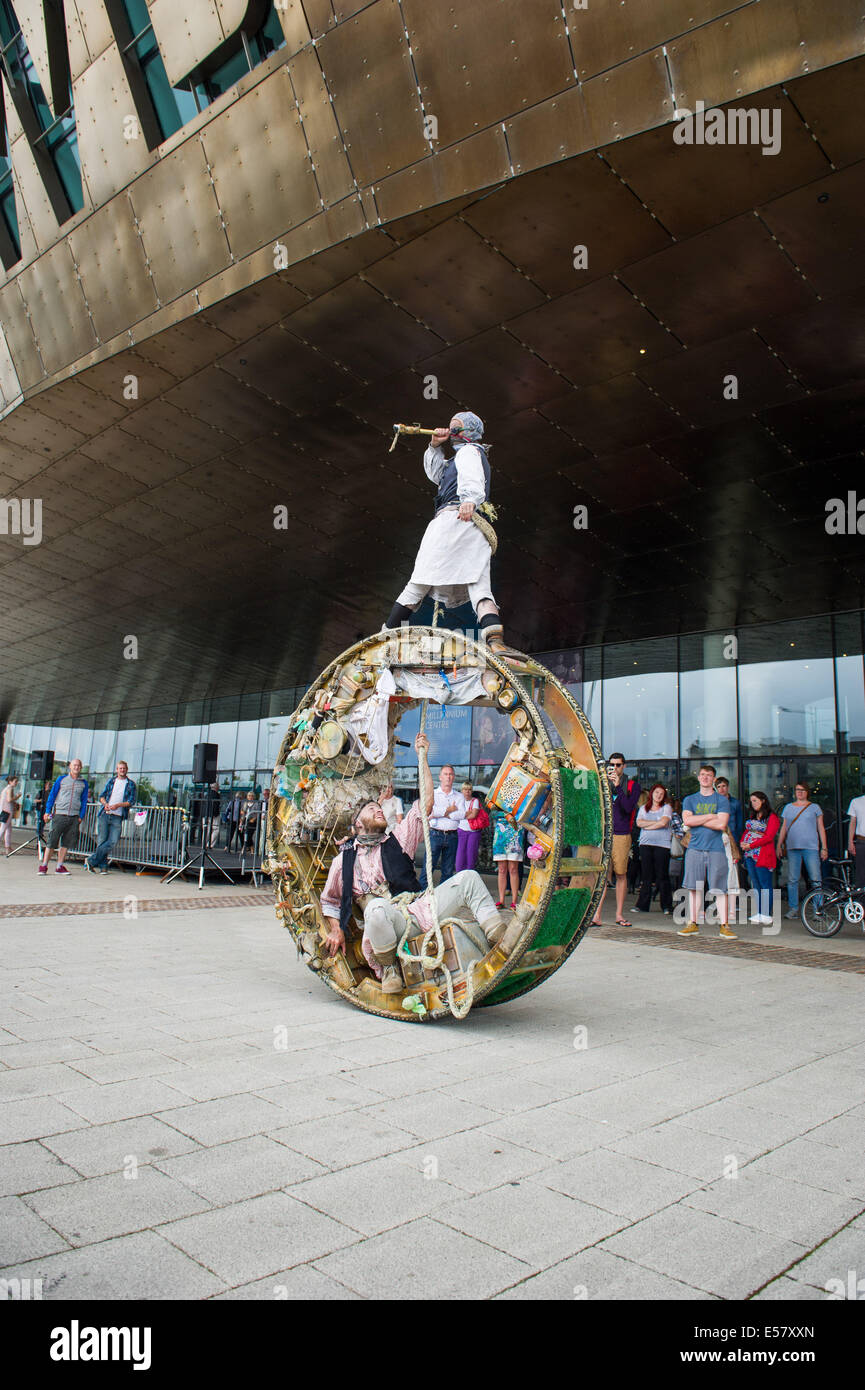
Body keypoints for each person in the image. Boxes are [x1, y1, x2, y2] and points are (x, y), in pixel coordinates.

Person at [320, 732, 518, 993]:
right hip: (387, 924)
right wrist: (335, 929)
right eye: (371, 810)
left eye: (378, 808)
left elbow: (425, 803)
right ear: (358, 825)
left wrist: (422, 756)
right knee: (375, 908)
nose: (379, 809)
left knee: (468, 877)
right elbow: (330, 901)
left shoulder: (397, 838)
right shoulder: (343, 861)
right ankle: (389, 967)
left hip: (419, 909)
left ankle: (497, 935)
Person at [383, 411, 517, 655]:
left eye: (455, 428)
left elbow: (471, 480)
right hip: (471, 528)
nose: (450, 430)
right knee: (480, 589)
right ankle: (495, 641)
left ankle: (385, 638)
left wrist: (469, 500)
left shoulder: (468, 452)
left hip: (454, 522)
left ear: (466, 432)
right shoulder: (461, 457)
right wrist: (435, 446)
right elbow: (438, 475)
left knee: (418, 583)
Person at [677, 763, 737, 939]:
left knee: (720, 889)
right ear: (698, 777)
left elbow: (721, 824)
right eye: (702, 774)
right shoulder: (690, 799)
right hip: (695, 848)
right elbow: (686, 820)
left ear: (713, 779)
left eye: (709, 775)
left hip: (716, 849)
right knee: (693, 888)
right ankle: (692, 923)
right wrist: (710, 816)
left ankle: (724, 925)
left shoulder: (721, 800)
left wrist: (697, 820)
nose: (705, 777)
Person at [591, 754, 640, 927]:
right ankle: (596, 915)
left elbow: (628, 808)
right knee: (602, 875)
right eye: (611, 765)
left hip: (621, 834)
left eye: (618, 765)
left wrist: (619, 787)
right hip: (604, 834)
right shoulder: (603, 783)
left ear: (624, 766)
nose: (615, 768)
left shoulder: (632, 785)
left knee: (621, 873)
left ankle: (619, 914)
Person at [777, 781, 828, 918]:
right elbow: (784, 828)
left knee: (815, 878)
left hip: (810, 847)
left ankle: (819, 909)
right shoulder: (788, 808)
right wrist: (779, 845)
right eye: (797, 790)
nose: (799, 792)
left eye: (802, 790)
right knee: (793, 879)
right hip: (793, 847)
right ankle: (793, 908)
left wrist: (824, 847)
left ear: (807, 792)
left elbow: (821, 828)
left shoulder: (814, 807)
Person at [84, 761, 136, 874]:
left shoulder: (131, 784)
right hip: (105, 814)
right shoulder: (111, 781)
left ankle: (91, 860)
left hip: (118, 816)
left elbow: (131, 801)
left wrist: (118, 805)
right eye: (120, 768)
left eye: (124, 768)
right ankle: (103, 866)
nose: (122, 770)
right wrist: (105, 804)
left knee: (113, 841)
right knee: (102, 841)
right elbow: (101, 796)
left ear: (126, 769)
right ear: (116, 770)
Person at [39, 759, 89, 874]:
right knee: (52, 841)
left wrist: (81, 816)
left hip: (74, 816)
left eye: (79, 765)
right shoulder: (61, 780)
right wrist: (47, 811)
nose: (76, 767)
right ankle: (44, 866)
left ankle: (59, 866)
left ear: (81, 768)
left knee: (66, 842)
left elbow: (84, 800)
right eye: (74, 765)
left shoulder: (83, 783)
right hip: (60, 814)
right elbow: (52, 795)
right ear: (70, 767)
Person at [417, 764, 463, 889]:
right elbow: (430, 812)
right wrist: (449, 810)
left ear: (454, 777)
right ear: (440, 777)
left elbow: (461, 814)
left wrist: (443, 813)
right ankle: (421, 897)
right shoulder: (433, 794)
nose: (448, 777)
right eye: (445, 774)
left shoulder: (459, 796)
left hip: (452, 835)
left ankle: (443, 899)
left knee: (448, 871)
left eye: (450, 774)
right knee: (428, 869)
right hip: (435, 835)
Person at [740, 792, 780, 924]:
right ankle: (759, 912)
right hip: (750, 853)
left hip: (762, 854)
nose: (753, 803)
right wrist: (743, 843)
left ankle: (766, 913)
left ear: (763, 801)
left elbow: (769, 837)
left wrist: (751, 844)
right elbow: (747, 831)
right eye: (751, 801)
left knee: (765, 884)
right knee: (755, 883)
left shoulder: (772, 817)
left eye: (755, 800)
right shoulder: (753, 816)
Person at [634, 783, 674, 914]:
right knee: (646, 876)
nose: (659, 795)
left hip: (662, 845)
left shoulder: (667, 808)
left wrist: (647, 826)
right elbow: (639, 823)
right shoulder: (644, 808)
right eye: (657, 792)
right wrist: (655, 824)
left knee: (662, 875)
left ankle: (667, 906)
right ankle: (642, 905)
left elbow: (664, 822)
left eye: (662, 793)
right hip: (646, 844)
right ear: (652, 793)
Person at [492, 807, 525, 909]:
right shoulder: (499, 794)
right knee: (501, 869)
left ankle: (514, 901)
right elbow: (493, 813)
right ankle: (501, 900)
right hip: (501, 830)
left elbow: (523, 811)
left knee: (513, 869)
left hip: (515, 829)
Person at [456, 781, 484, 873]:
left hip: (473, 832)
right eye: (465, 789)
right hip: (461, 830)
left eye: (469, 789)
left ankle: (470, 875)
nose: (467, 792)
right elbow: (454, 814)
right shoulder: (458, 800)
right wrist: (466, 814)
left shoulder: (475, 801)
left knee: (471, 854)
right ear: (462, 791)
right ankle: (459, 875)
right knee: (460, 855)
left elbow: (474, 815)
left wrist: (461, 815)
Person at [846, 787, 865, 892]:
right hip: (861, 841)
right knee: (861, 875)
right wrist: (850, 842)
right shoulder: (856, 802)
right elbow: (852, 822)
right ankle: (862, 905)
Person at [0, 774, 19, 854]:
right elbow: (9, 799)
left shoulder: (5, 789)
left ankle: (8, 847)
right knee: (3, 829)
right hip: (7, 811)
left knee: (8, 829)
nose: (16, 783)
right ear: (10, 782)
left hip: (4, 810)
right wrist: (17, 797)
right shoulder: (10, 789)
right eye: (15, 781)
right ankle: (8, 847)